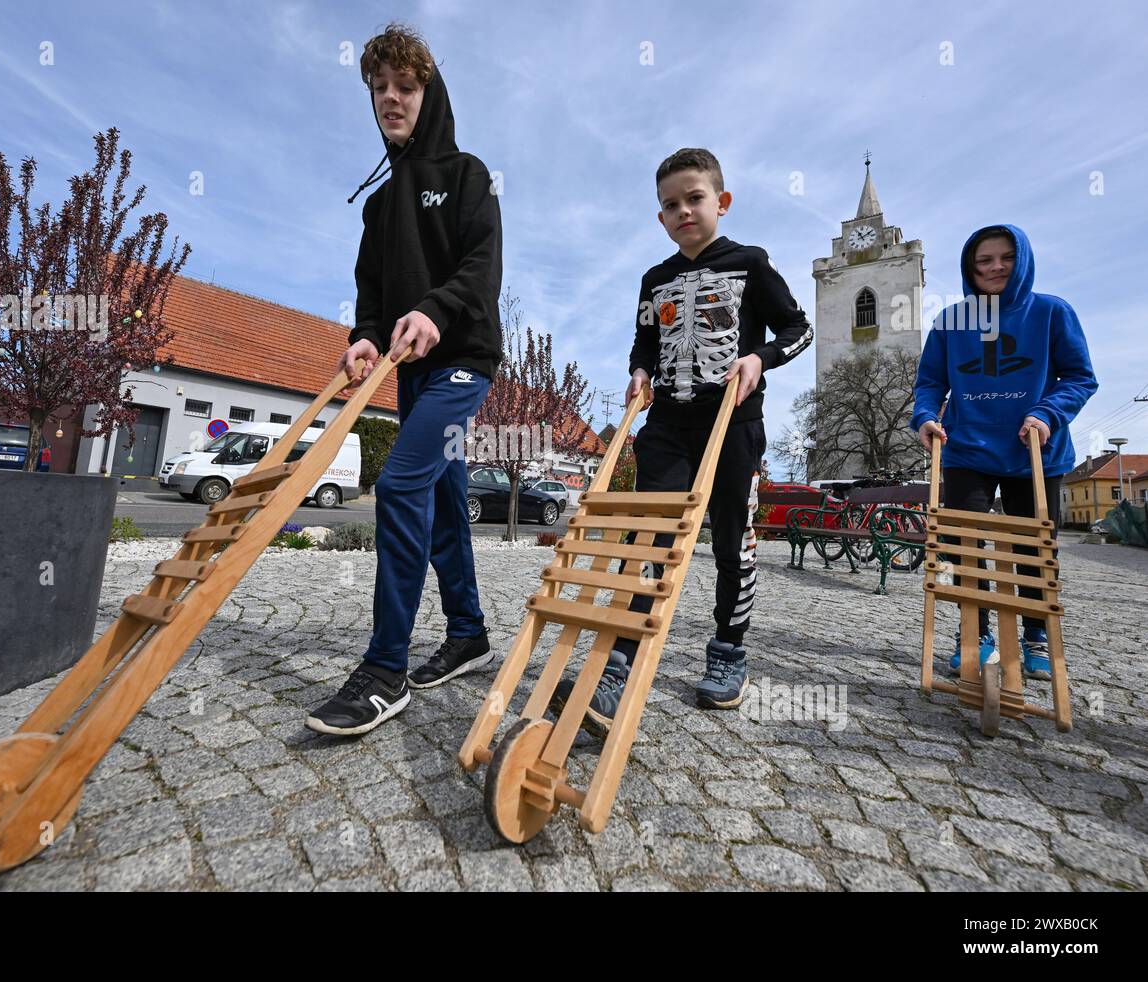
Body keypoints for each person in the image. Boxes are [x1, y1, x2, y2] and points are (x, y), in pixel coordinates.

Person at [554, 147, 813, 734]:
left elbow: (800, 328)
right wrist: (639, 373)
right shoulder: (655, 279)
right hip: (667, 426)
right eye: (670, 205)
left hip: (733, 425)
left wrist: (759, 358)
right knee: (646, 539)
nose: (684, 211)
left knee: (732, 541)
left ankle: (728, 653)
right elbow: (643, 344)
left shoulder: (751, 263)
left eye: (695, 198)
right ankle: (619, 662)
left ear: (720, 202)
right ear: (660, 218)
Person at [306, 24, 503, 736]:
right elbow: (370, 296)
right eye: (379, 89)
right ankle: (469, 633)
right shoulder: (379, 206)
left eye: (405, 87)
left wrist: (434, 310)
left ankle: (386, 667)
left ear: (429, 92)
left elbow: (481, 272)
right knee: (445, 501)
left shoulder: (467, 177)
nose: (391, 99)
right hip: (407, 373)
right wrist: (363, 338)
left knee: (399, 482)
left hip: (462, 363)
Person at [911, 224, 1096, 680]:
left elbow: (1079, 376)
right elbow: (931, 382)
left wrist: (1048, 413)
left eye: (1005, 258)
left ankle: (1035, 635)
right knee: (961, 544)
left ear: (1022, 260)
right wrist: (925, 417)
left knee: (1030, 547)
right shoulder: (951, 321)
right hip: (965, 448)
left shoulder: (1052, 312)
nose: (995, 268)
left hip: (1032, 448)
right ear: (970, 269)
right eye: (983, 261)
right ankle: (975, 633)